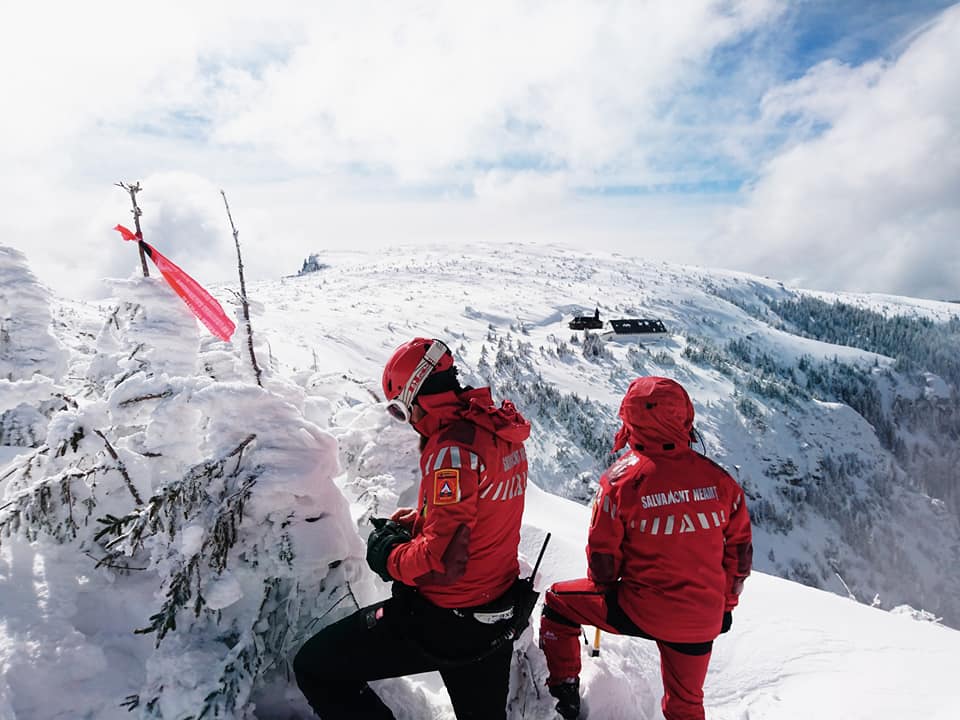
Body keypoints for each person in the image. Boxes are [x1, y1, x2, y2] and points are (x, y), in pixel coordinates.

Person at [294, 338, 532, 720]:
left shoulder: (452, 450)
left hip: (446, 619)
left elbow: (440, 562)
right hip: (497, 613)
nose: (409, 424)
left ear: (418, 398)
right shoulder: (498, 433)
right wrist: (423, 521)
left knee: (315, 667)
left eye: (400, 412)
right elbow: (481, 515)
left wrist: (387, 556)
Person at [539, 376, 753, 720]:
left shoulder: (620, 481)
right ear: (684, 415)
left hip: (640, 609)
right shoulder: (721, 481)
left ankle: (562, 698)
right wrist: (724, 606)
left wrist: (607, 593)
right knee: (686, 705)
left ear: (631, 417)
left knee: (558, 604)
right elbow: (739, 555)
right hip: (702, 617)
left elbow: (603, 560)